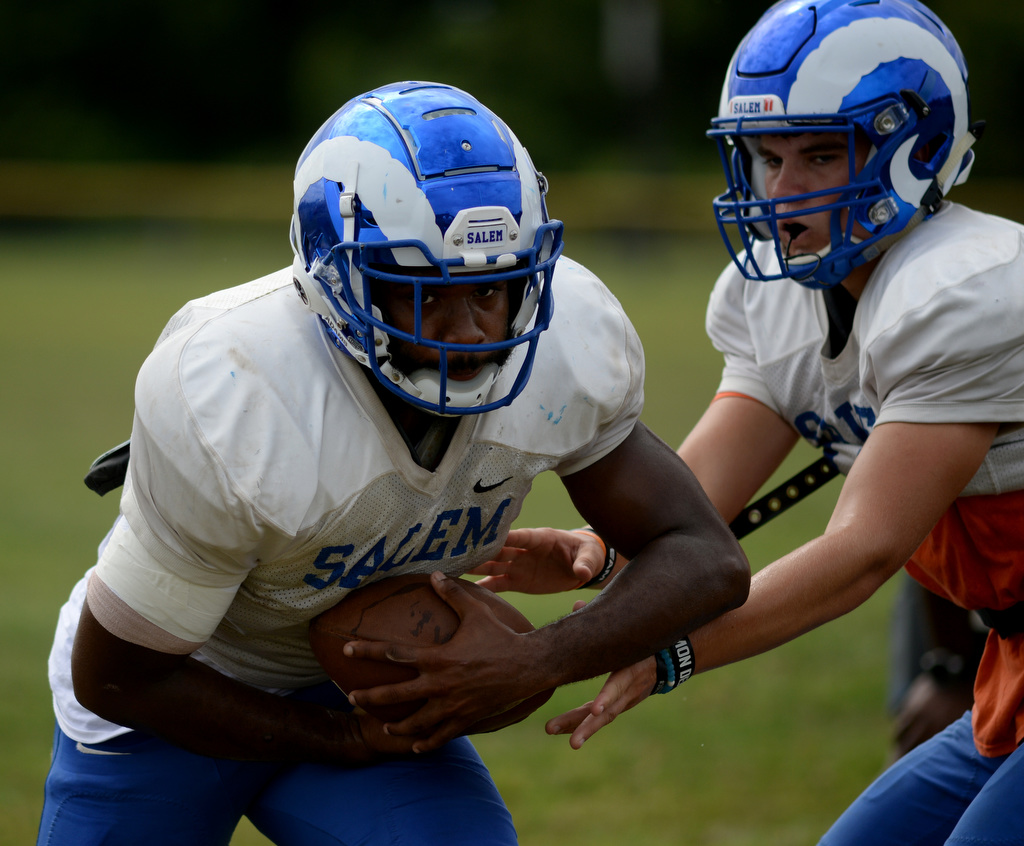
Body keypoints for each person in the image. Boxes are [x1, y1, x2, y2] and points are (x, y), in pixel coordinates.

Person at [36, 81, 749, 846]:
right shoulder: (237, 387)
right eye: (426, 294)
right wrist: (341, 743)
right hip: (183, 688)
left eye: (493, 288)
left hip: (360, 689)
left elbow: (707, 556)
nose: (470, 332)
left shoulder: (567, 344)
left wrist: (540, 659)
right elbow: (119, 675)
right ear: (340, 283)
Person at [469, 2, 1024, 843]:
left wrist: (670, 649)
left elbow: (861, 552)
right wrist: (604, 553)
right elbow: (694, 506)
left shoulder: (963, 290)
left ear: (917, 147)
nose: (784, 190)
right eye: (768, 157)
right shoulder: (777, 302)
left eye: (822, 154)